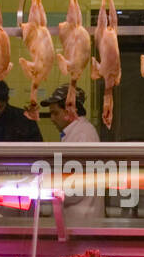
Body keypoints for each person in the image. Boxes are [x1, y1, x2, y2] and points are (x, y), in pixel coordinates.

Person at [41, 84, 103, 220]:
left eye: (55, 113)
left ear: (70, 110)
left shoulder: (83, 136)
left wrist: (45, 187)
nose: (52, 118)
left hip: (81, 221)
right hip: (76, 219)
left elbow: (76, 189)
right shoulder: (77, 132)